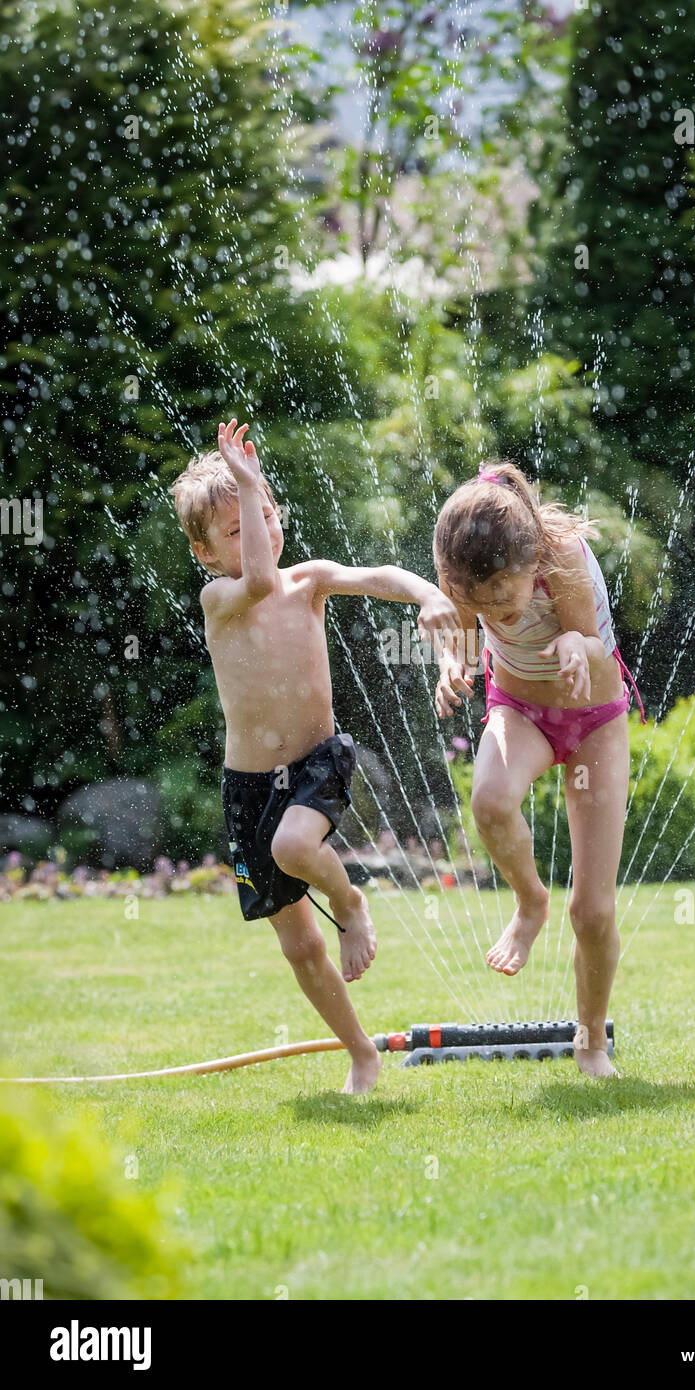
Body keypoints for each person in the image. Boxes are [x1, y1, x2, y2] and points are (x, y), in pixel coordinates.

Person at [170, 419, 460, 1093]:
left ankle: (350, 903)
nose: (260, 531)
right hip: (248, 789)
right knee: (300, 947)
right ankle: (361, 1052)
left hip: (316, 763)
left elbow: (378, 575)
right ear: (206, 552)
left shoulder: (310, 581)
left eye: (265, 515)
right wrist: (243, 482)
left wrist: (429, 593)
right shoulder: (222, 598)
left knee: (296, 848)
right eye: (240, 527)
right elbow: (259, 584)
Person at [433, 460, 646, 1078]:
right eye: (479, 601)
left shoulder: (563, 557)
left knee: (594, 912)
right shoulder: (468, 573)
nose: (495, 613)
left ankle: (591, 1043)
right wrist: (455, 664)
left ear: (530, 568)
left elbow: (590, 638)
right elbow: (466, 639)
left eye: (505, 598)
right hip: (521, 708)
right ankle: (529, 903)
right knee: (490, 801)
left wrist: (574, 648)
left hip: (596, 720)